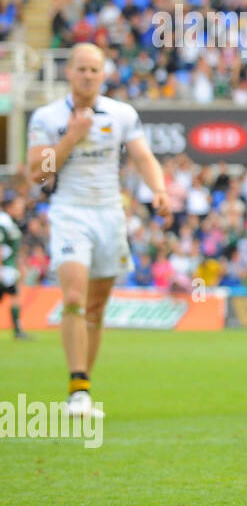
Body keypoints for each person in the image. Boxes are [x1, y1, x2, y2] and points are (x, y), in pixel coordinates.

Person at [26, 43, 173, 415]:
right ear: (69, 72)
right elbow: (38, 172)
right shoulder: (46, 117)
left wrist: (158, 190)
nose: (88, 75)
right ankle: (77, 387)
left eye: (95, 69)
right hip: (69, 213)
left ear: (103, 74)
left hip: (110, 215)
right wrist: (72, 136)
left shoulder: (122, 113)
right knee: (74, 296)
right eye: (82, 69)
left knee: (96, 305)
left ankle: (83, 389)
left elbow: (143, 157)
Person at [1, 191, 32, 340]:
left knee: (15, 296)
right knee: (14, 295)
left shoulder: (12, 223)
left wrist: (20, 266)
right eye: (17, 204)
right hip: (4, 269)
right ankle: (18, 330)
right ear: (8, 206)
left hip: (10, 268)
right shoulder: (3, 222)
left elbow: (15, 249)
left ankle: (18, 329)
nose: (21, 208)